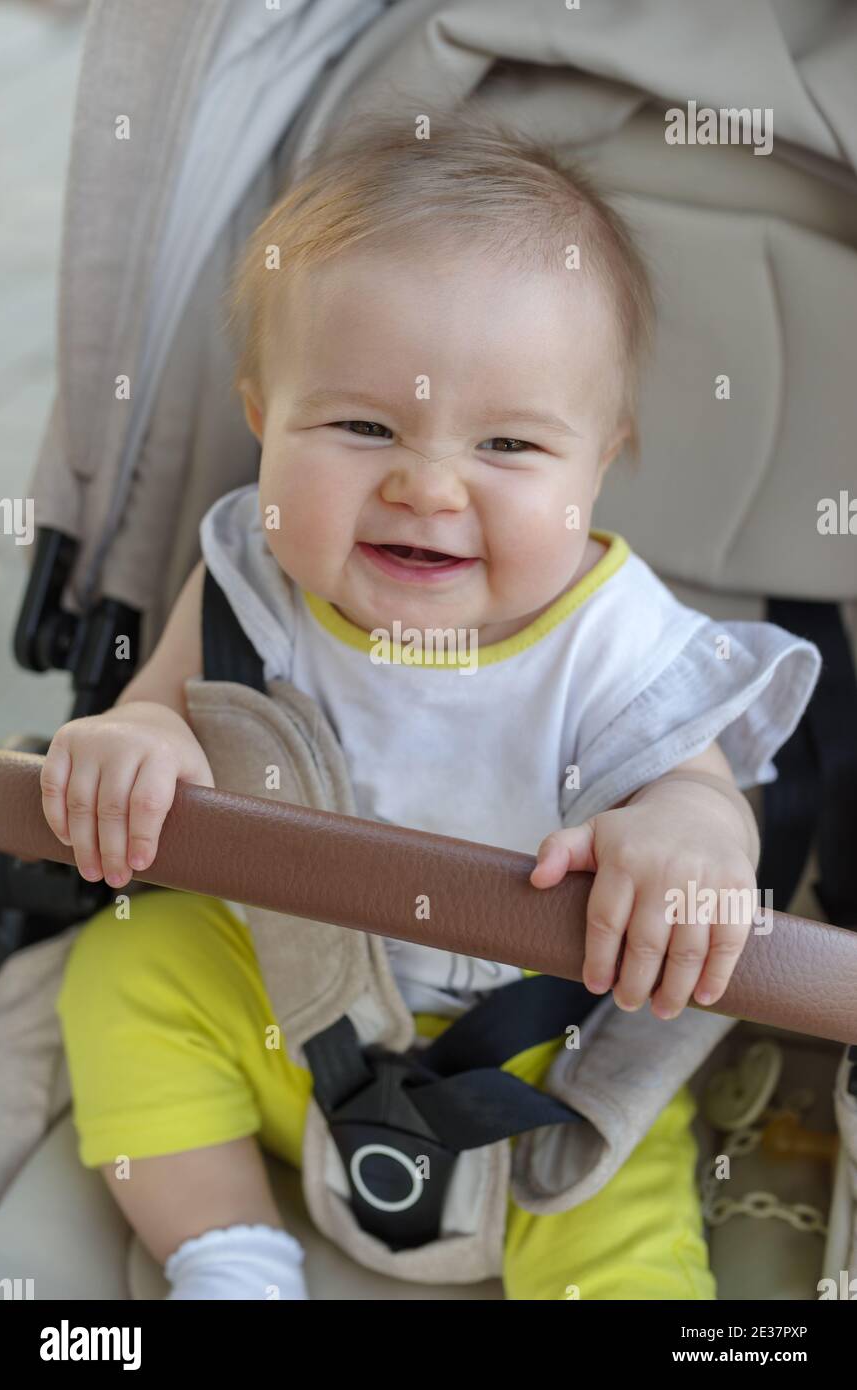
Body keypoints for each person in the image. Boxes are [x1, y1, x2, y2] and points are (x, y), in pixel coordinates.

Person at [47, 108, 821, 1300]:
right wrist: (134, 743)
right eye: (361, 427)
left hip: (539, 1071)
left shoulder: (620, 643)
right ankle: (227, 1248)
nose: (426, 484)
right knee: (128, 970)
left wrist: (687, 837)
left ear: (599, 460)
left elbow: (708, 801)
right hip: (286, 1007)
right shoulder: (255, 582)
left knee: (628, 1203)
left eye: (508, 445)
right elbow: (163, 711)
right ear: (262, 415)